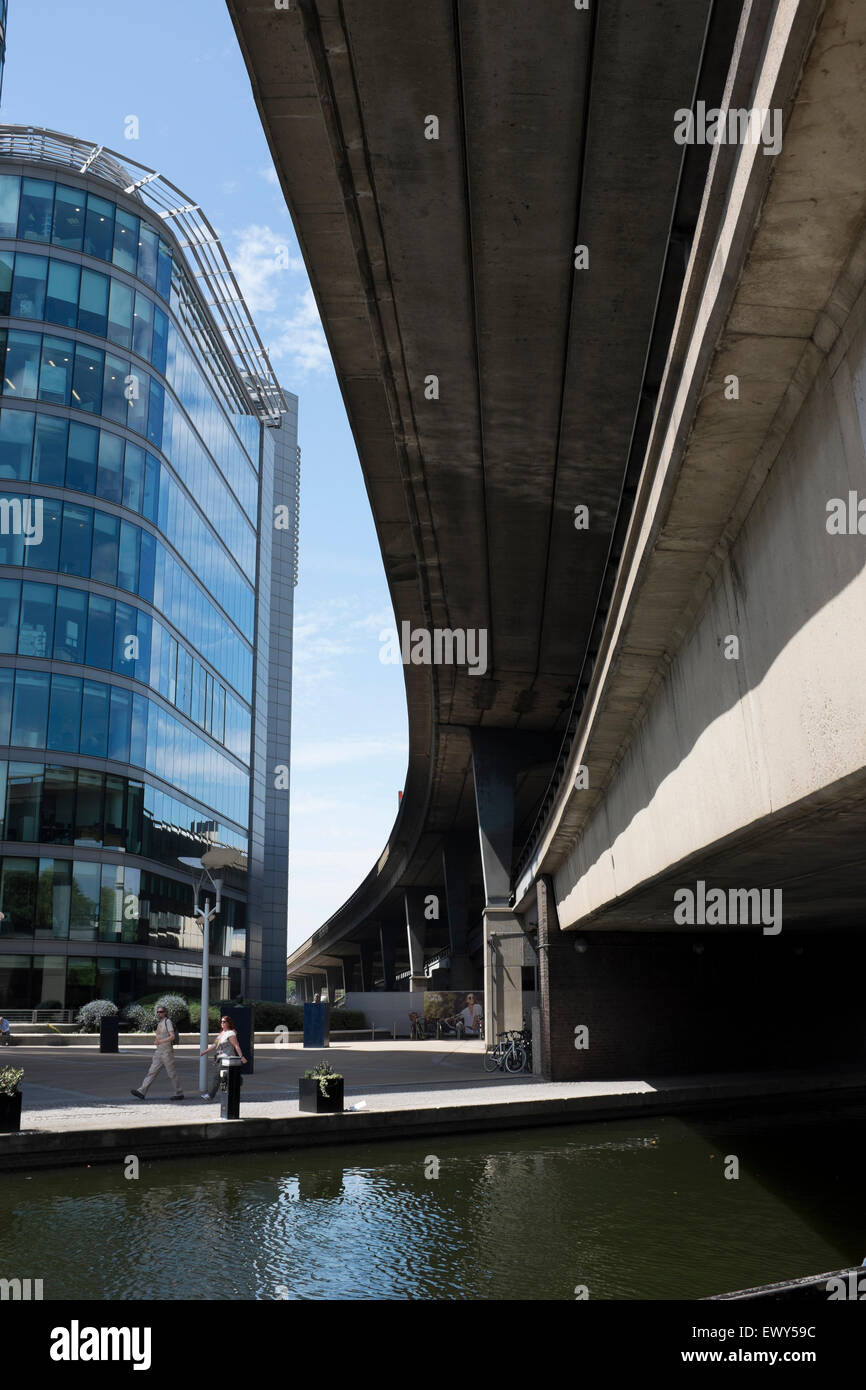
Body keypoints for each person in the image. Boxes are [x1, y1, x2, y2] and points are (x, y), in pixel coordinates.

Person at [131, 1006, 184, 1101]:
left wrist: (161, 1041)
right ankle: (142, 1091)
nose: (159, 1013)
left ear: (165, 1012)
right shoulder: (159, 1023)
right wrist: (157, 1040)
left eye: (161, 1011)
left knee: (171, 1074)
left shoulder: (167, 1022)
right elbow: (159, 1035)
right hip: (159, 1051)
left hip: (167, 1052)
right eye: (158, 1012)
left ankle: (179, 1093)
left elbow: (172, 1037)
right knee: (152, 1072)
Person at [200, 1013, 247, 1100]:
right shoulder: (221, 1033)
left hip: (227, 1058)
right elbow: (215, 1045)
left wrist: (241, 1056)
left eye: (224, 1022)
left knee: (217, 1077)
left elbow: (236, 1045)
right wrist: (205, 1052)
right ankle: (232, 1088)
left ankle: (210, 1095)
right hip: (219, 1058)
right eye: (221, 1022)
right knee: (225, 1077)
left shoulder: (230, 1033)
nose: (222, 1023)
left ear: (228, 1023)